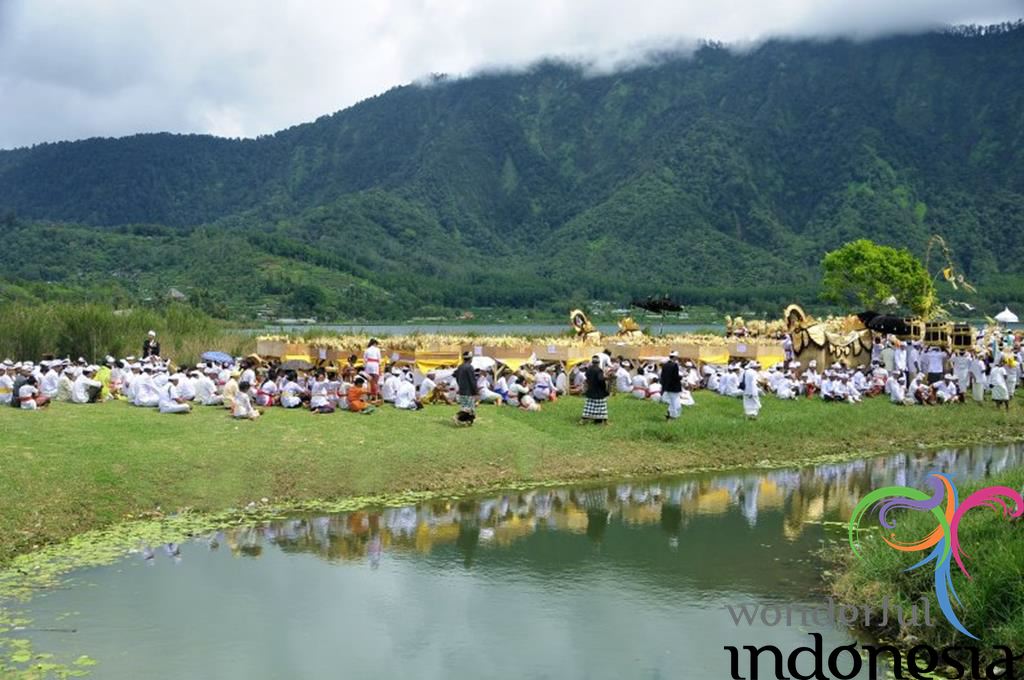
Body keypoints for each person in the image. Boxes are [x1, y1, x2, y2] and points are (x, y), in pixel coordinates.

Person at [580, 355, 609, 425]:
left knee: (589, 408)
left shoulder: (589, 370)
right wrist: (606, 379)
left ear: (592, 362)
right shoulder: (599, 370)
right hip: (598, 391)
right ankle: (603, 421)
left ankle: (584, 420)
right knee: (601, 408)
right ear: (598, 362)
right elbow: (600, 379)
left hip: (590, 390)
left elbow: (587, 378)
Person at [454, 352, 478, 425]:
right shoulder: (469, 367)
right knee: (468, 409)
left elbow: (457, 378)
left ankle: (469, 421)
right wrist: (475, 392)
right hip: (468, 392)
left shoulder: (460, 367)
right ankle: (457, 416)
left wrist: (461, 386)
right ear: (470, 358)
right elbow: (472, 381)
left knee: (467, 408)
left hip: (462, 390)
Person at [661, 351, 683, 420]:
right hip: (674, 386)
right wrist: (681, 377)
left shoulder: (665, 365)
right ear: (675, 357)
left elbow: (663, 376)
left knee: (672, 400)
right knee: (675, 401)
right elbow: (675, 377)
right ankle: (672, 415)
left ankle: (671, 412)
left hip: (667, 386)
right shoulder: (675, 365)